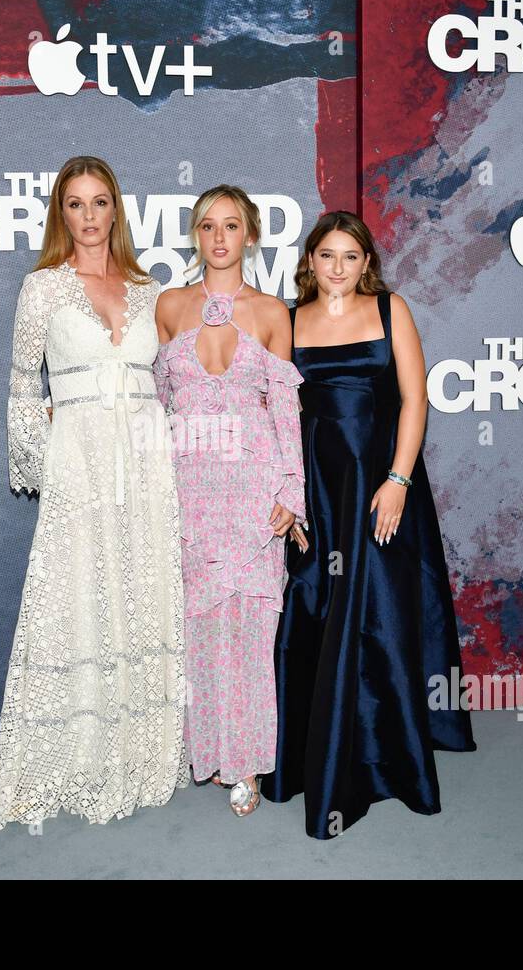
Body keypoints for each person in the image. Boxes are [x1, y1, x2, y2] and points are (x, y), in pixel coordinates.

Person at [263, 210, 477, 838]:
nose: (338, 267)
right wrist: (289, 497)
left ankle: (390, 758)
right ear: (309, 262)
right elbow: (272, 411)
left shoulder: (391, 311)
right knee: (319, 613)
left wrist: (399, 481)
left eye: (350, 257)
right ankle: (315, 756)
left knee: (381, 616)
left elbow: (416, 397)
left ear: (367, 264)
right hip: (318, 493)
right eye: (326, 255)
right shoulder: (287, 319)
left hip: (381, 489)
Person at [0, 155, 188, 830]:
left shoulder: (149, 288)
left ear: (116, 210)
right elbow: (23, 389)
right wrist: (52, 470)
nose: (88, 216)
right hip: (78, 460)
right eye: (74, 204)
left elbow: (169, 383)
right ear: (60, 214)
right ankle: (74, 752)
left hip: (147, 457)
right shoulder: (41, 288)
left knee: (142, 593)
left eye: (99, 202)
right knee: (78, 595)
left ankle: (142, 750)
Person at [153, 184, 305, 817]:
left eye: (232, 225)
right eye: (208, 226)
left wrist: (291, 493)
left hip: (252, 491)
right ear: (196, 235)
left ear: (251, 235)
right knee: (197, 633)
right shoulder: (168, 307)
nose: (220, 238)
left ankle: (245, 763)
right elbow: (157, 407)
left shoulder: (272, 312)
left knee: (249, 632)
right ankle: (206, 752)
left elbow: (287, 413)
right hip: (190, 490)